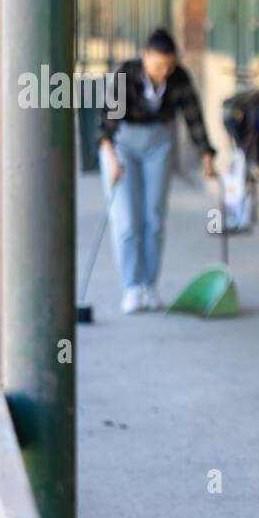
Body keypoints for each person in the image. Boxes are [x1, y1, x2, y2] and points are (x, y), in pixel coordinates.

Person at [98, 28, 218, 314]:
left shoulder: (180, 78)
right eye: (157, 66)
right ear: (144, 57)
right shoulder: (124, 75)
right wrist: (112, 161)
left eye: (168, 66)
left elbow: (193, 116)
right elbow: (106, 125)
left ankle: (149, 286)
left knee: (153, 217)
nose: (163, 72)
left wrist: (206, 155)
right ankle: (131, 287)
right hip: (121, 145)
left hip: (158, 145)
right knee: (126, 219)